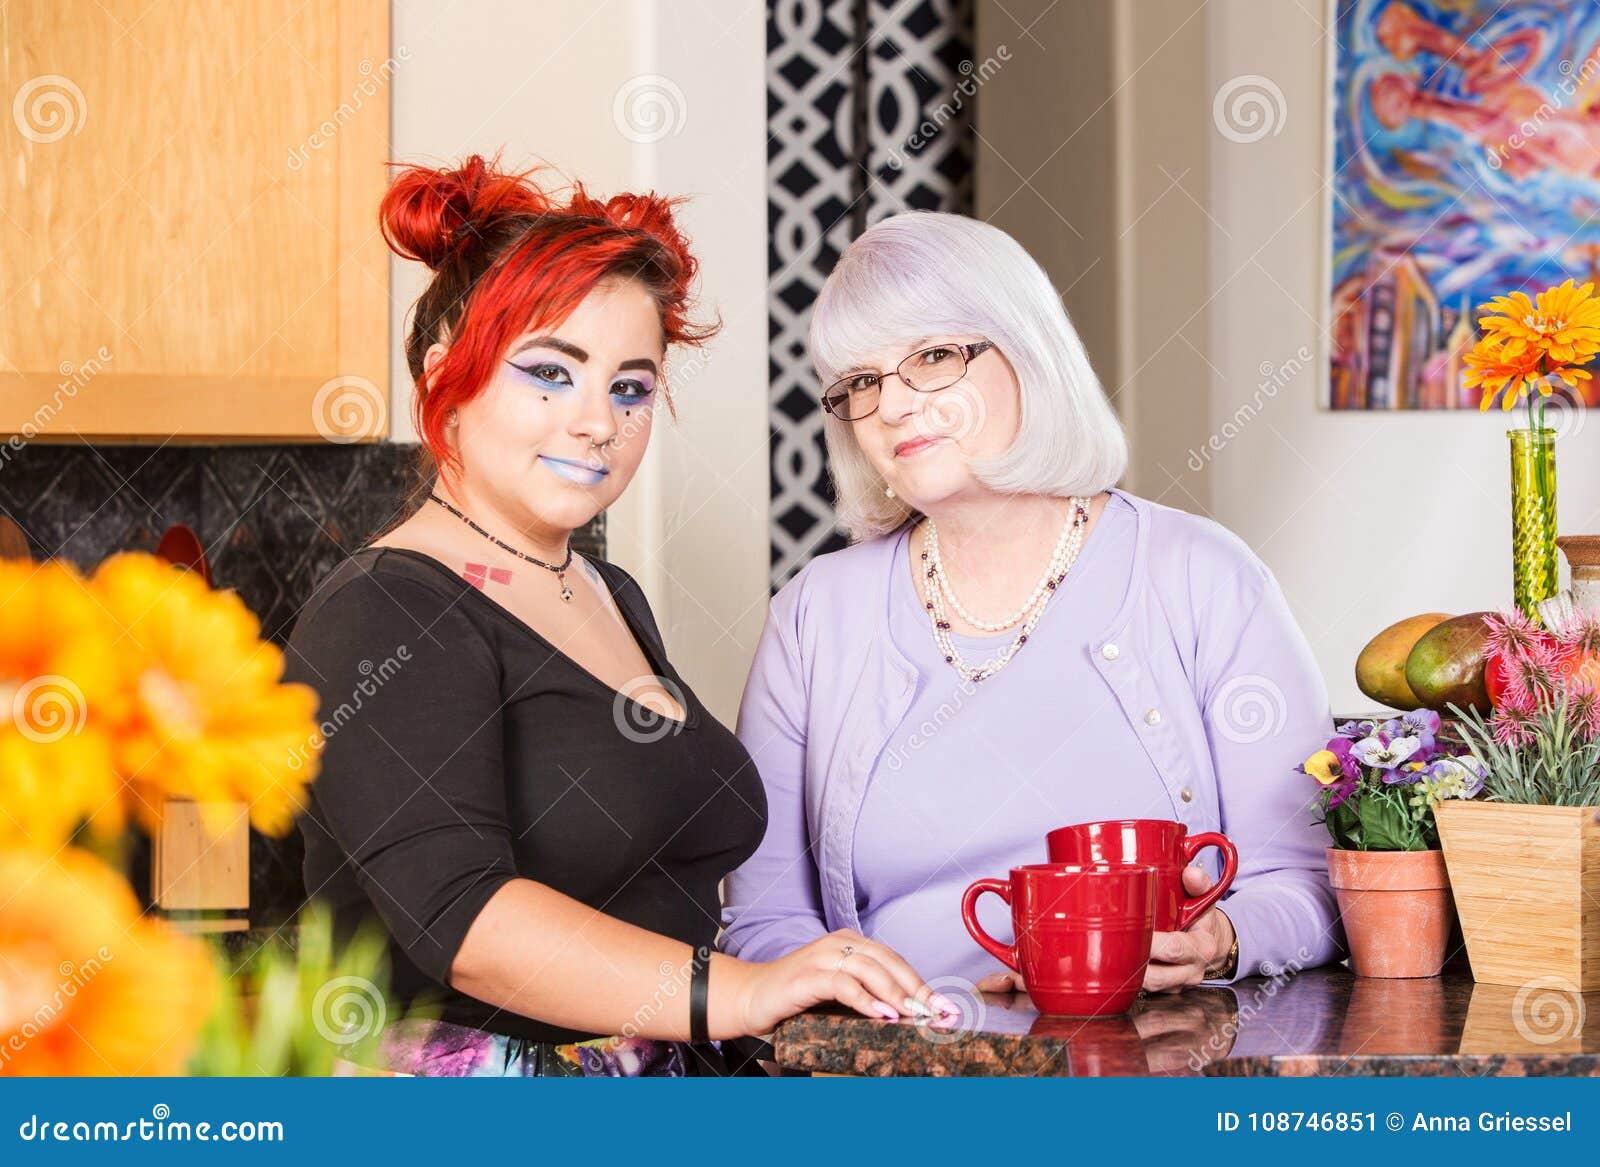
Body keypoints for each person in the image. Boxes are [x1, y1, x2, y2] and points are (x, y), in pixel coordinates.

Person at [287, 155, 951, 1078]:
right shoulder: (386, 610)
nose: (598, 420)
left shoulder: (607, 592)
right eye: (550, 373)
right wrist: (745, 988)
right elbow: (466, 919)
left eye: (631, 386)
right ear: (447, 378)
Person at [720, 210, 1344, 999]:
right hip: (898, 1081)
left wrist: (1223, 938)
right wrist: (872, 1005)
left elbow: (1308, 883)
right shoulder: (812, 617)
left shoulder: (1204, 576)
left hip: (1142, 1082)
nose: (896, 405)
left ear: (1029, 350)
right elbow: (765, 920)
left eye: (935, 355)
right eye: (863, 382)